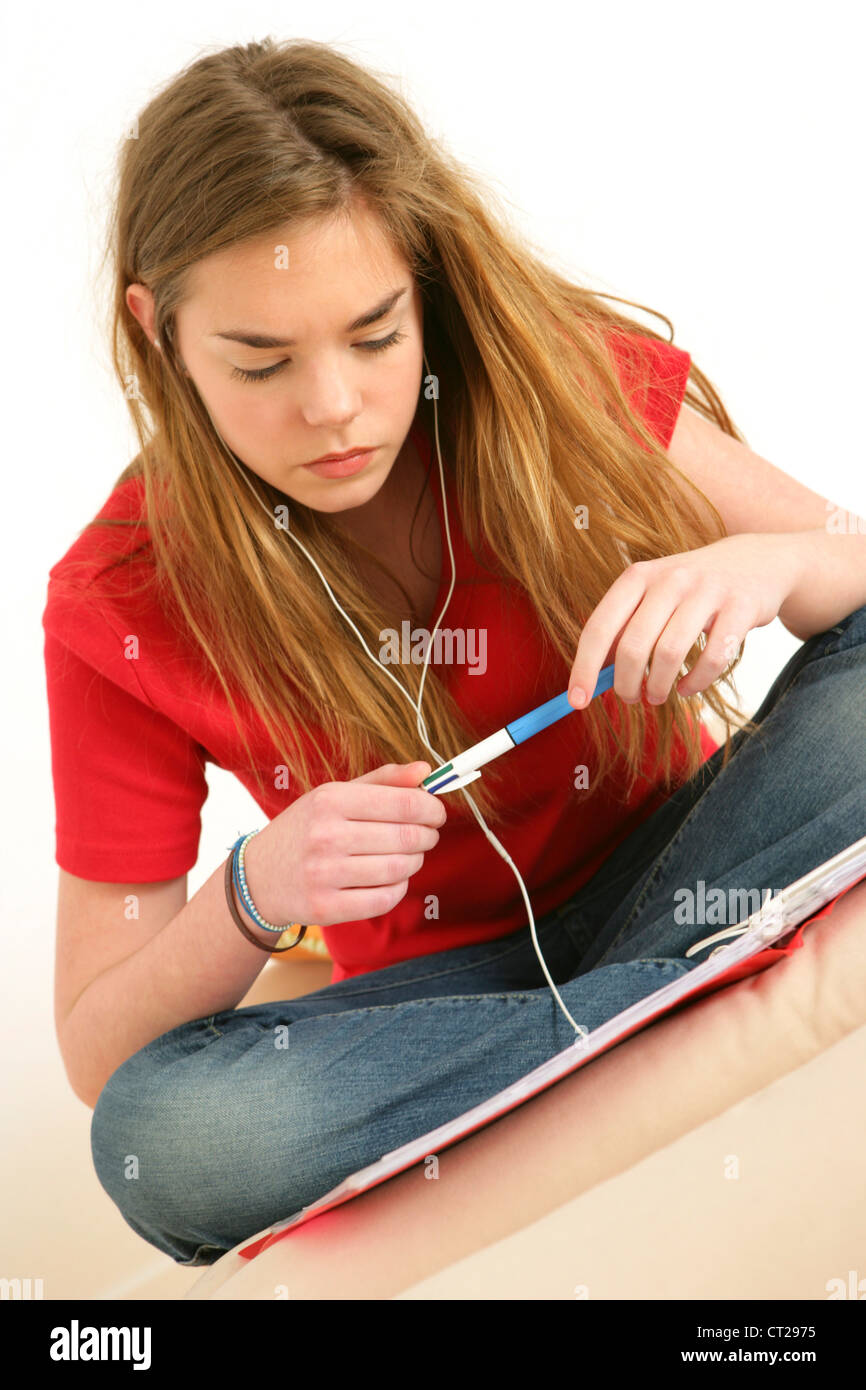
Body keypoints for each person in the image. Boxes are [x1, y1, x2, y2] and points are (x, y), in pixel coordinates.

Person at [43, 36, 866, 1267]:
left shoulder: (552, 378)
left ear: (421, 280)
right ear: (157, 333)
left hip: (690, 854)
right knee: (164, 1138)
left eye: (375, 335)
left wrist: (773, 567)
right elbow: (101, 1055)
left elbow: (844, 567)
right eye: (259, 360)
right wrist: (259, 887)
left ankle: (605, 1005)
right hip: (441, 1002)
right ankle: (659, 999)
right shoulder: (113, 597)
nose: (333, 406)